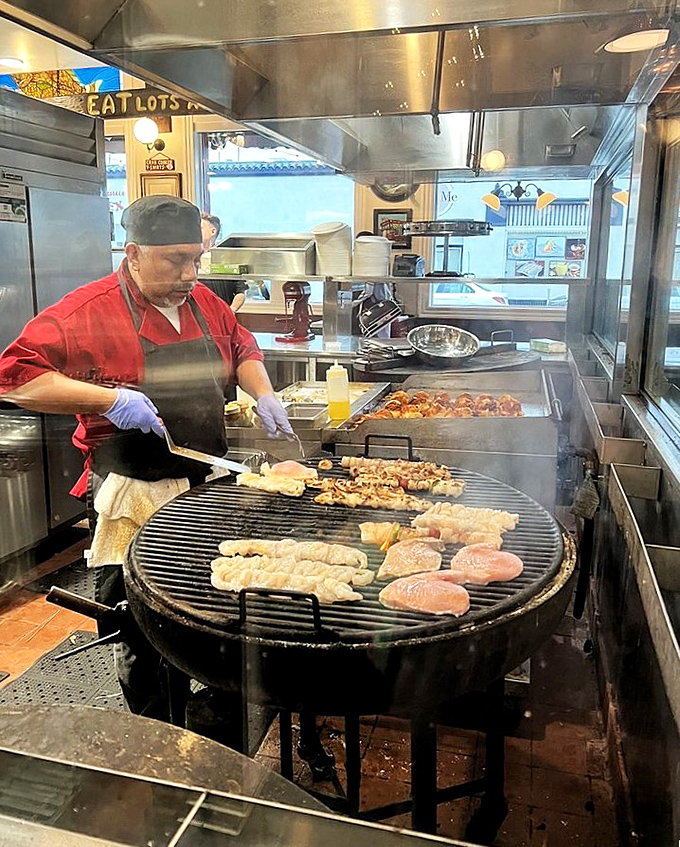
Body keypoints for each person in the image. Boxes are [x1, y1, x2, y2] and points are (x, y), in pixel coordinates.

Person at [0, 195, 292, 721]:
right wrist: (108, 399)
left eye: (195, 259)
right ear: (133, 253)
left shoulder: (206, 303)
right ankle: (155, 725)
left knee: (213, 599)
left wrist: (262, 392)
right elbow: (15, 376)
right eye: (174, 260)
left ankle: (215, 708)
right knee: (138, 617)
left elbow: (243, 347)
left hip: (206, 482)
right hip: (131, 489)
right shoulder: (87, 311)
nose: (189, 273)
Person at [201, 212, 247, 312]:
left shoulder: (227, 258)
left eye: (200, 228)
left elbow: (240, 292)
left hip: (222, 316)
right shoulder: (190, 257)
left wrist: (231, 310)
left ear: (213, 231)